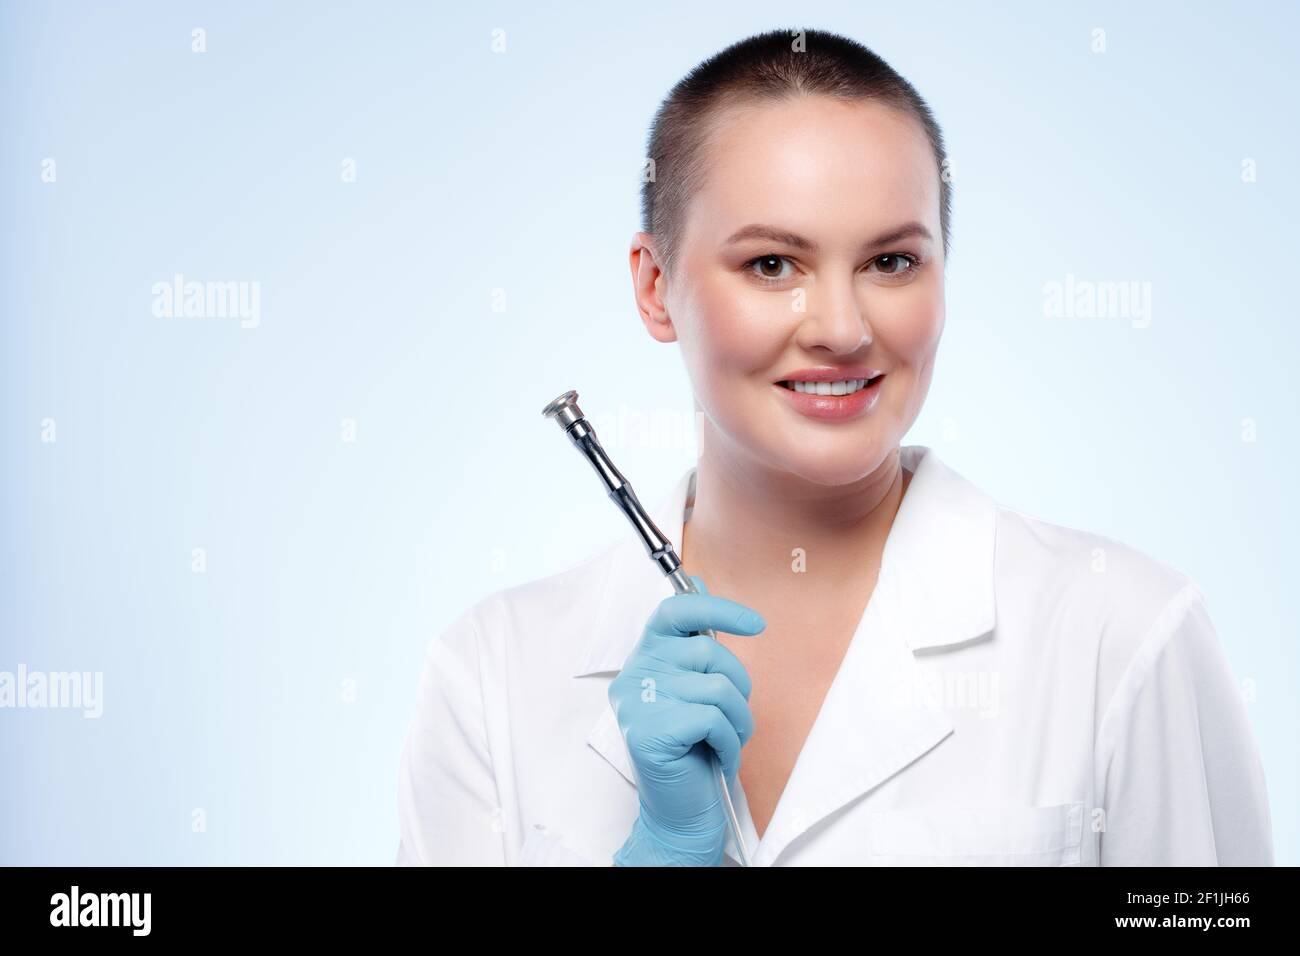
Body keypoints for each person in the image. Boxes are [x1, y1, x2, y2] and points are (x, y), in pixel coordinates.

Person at [397, 28, 1273, 866]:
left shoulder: (1123, 635)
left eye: (891, 262)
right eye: (772, 265)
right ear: (656, 287)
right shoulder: (492, 674)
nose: (842, 329)